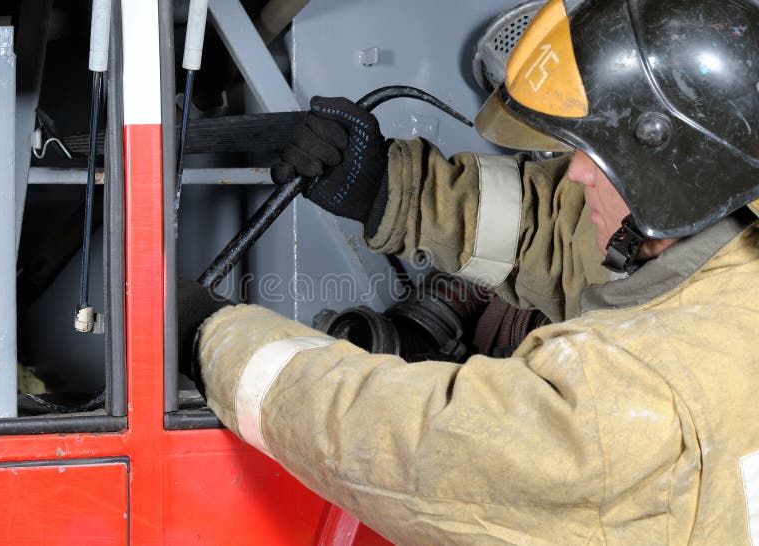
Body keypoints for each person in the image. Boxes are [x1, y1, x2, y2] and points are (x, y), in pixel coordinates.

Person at [194, 0, 759, 543]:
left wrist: (217, 339)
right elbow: (557, 230)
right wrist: (388, 190)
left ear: (670, 168)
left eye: (597, 154)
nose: (576, 173)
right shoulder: (719, 234)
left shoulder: (649, 393)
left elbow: (420, 447)